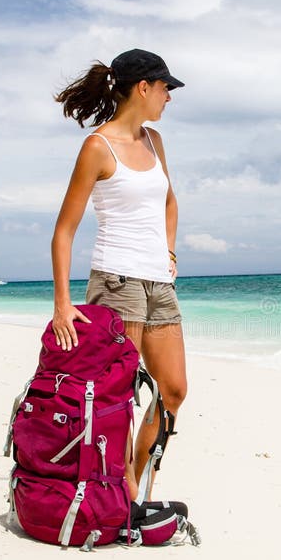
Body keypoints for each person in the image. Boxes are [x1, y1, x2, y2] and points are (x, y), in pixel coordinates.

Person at [51, 49, 187, 501]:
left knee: (172, 391)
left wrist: (168, 251)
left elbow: (169, 202)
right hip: (116, 283)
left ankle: (137, 483)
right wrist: (63, 305)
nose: (169, 97)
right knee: (117, 400)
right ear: (143, 87)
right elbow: (64, 231)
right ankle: (125, 499)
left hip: (158, 284)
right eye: (165, 88)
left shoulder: (154, 141)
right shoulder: (98, 147)